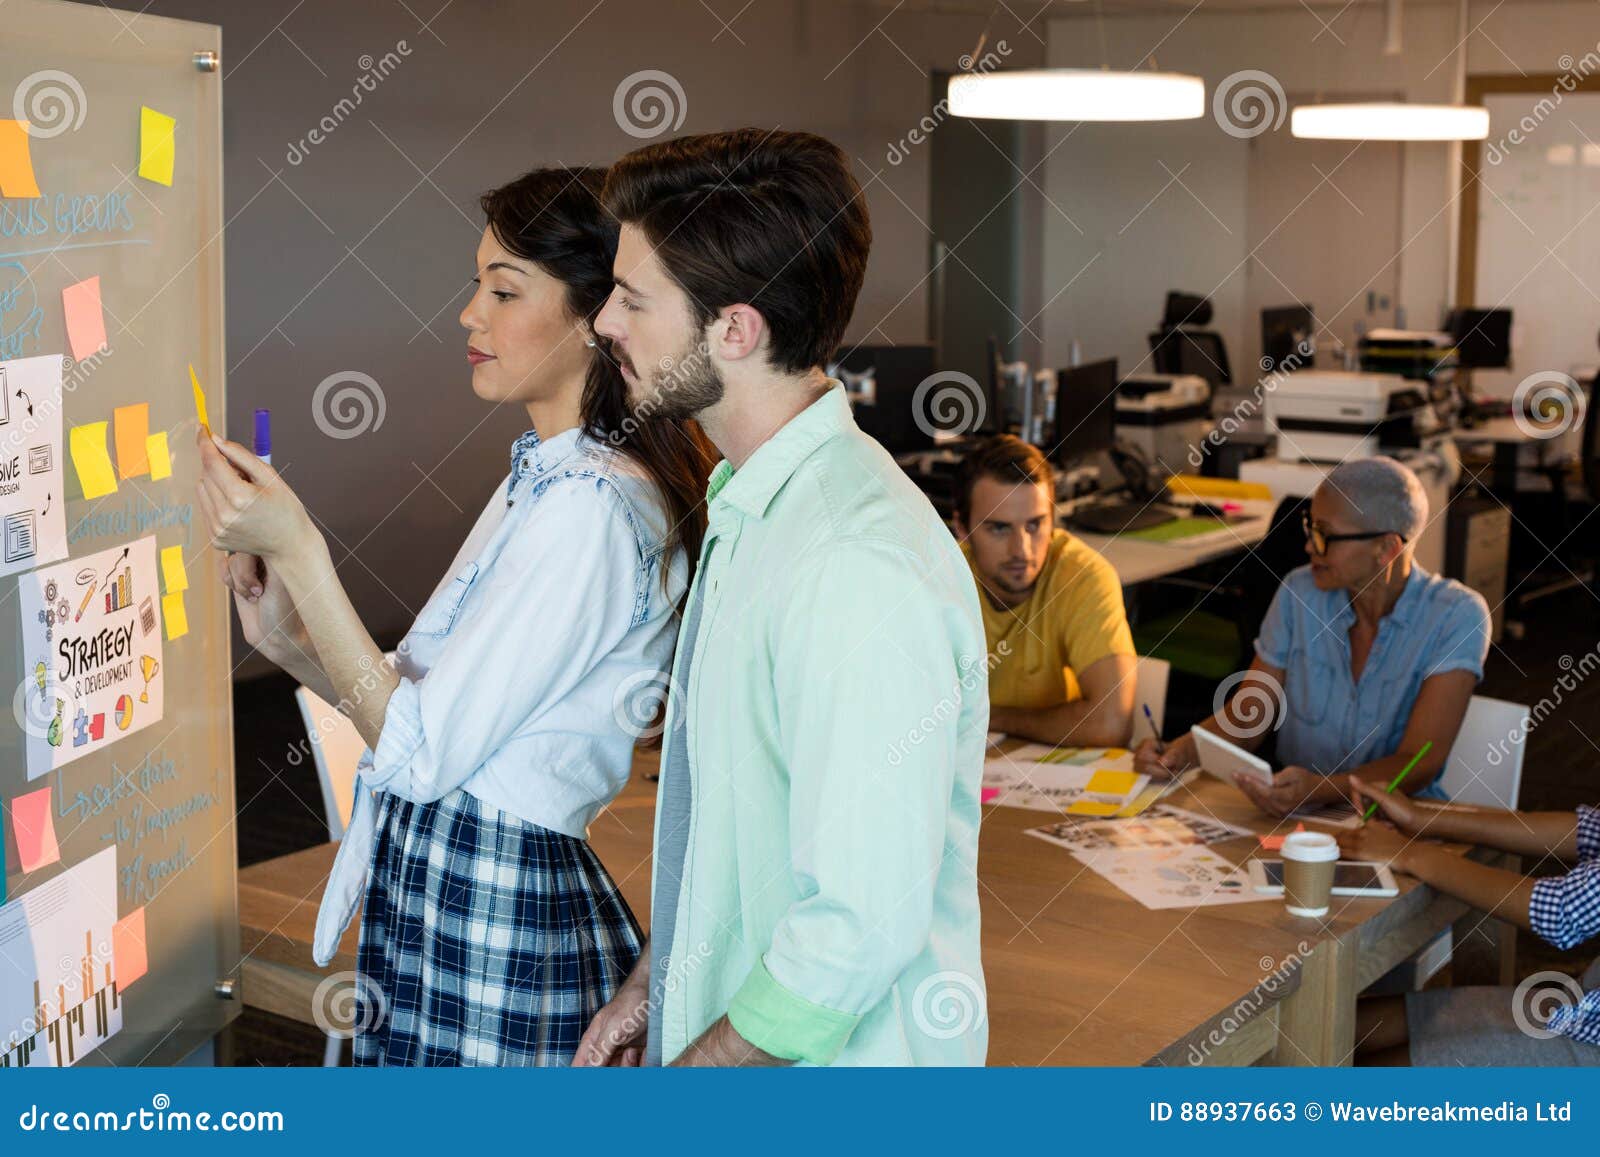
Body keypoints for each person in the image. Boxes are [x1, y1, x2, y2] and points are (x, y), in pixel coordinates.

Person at [194, 166, 715, 1065]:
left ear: (598, 319)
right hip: (444, 892)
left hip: (495, 911)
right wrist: (289, 633)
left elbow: (424, 749)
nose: (470, 315)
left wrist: (307, 551)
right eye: (478, 285)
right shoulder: (549, 476)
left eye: (504, 289)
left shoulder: (591, 507)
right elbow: (417, 711)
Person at [573, 128, 988, 1067]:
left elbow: (855, 927)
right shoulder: (754, 506)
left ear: (735, 329)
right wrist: (662, 978)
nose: (603, 323)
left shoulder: (852, 562)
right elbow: (738, 828)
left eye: (634, 299)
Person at [1134, 456, 1491, 817]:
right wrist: (1183, 749)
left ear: (1386, 549)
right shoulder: (1299, 592)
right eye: (1310, 529)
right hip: (1299, 817)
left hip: (1396, 820)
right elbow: (1251, 713)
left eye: (1325, 536)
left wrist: (1319, 790)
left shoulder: (1456, 616)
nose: (1309, 547)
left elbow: (1418, 763)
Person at [1341, 783, 1600, 1065]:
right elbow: (1587, 831)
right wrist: (1421, 820)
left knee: (1358, 1075)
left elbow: (1560, 912)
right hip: (1578, 1009)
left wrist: (1407, 854)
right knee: (1347, 1031)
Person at [953, 435, 1136, 747]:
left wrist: (993, 717)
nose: (1021, 550)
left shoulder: (1083, 576)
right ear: (962, 529)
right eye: (999, 528)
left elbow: (1111, 723)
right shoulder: (937, 582)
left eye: (1036, 525)